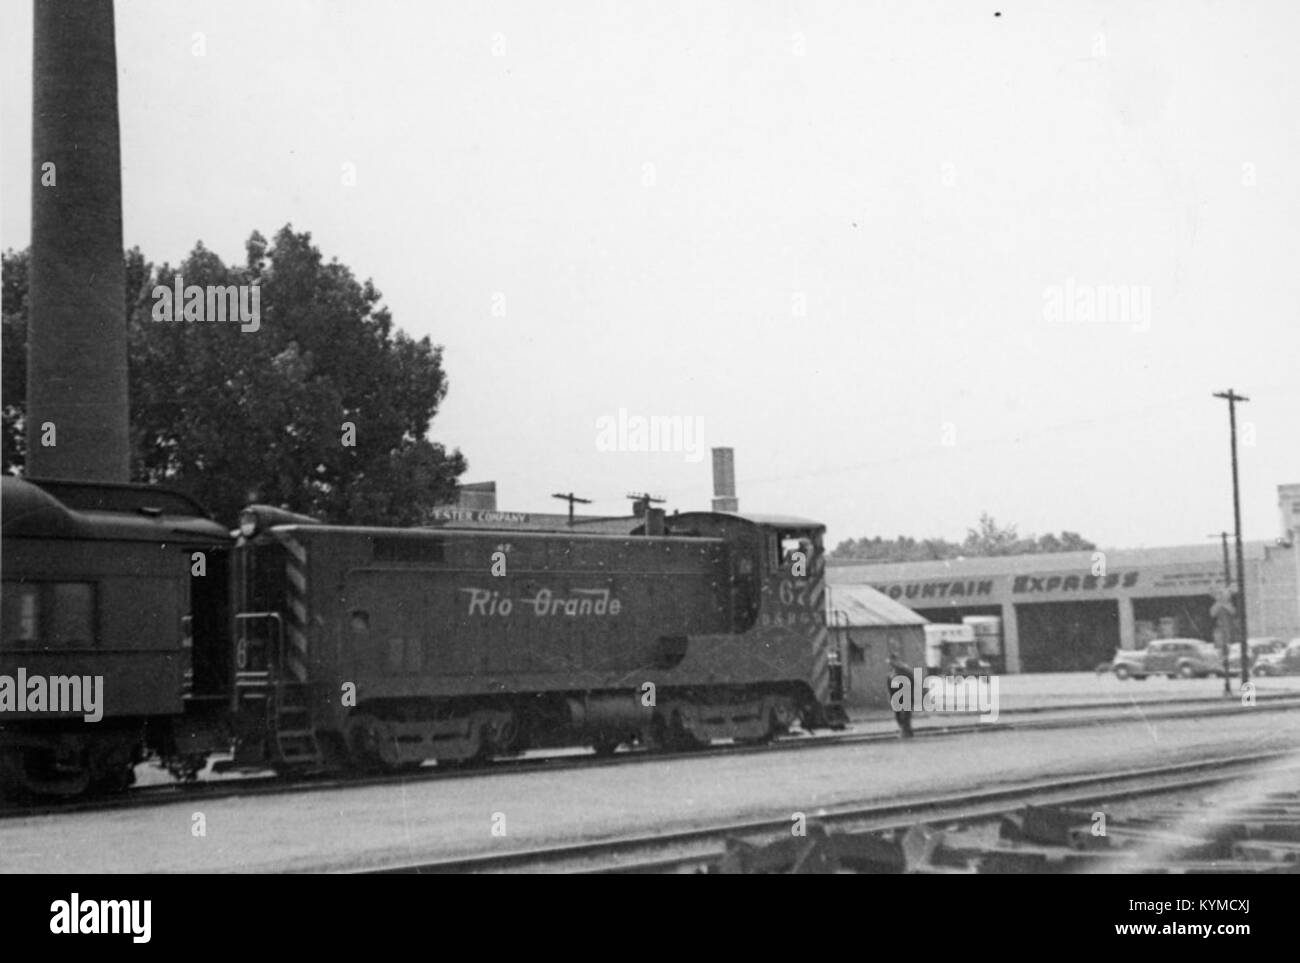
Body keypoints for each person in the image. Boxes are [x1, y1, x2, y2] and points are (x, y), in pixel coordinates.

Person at [886, 642, 914, 739]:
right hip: (896, 697)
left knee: (905, 715)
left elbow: (912, 681)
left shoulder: (905, 671)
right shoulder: (891, 673)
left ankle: (905, 732)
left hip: (906, 695)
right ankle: (907, 731)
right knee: (899, 715)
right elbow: (889, 686)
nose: (891, 664)